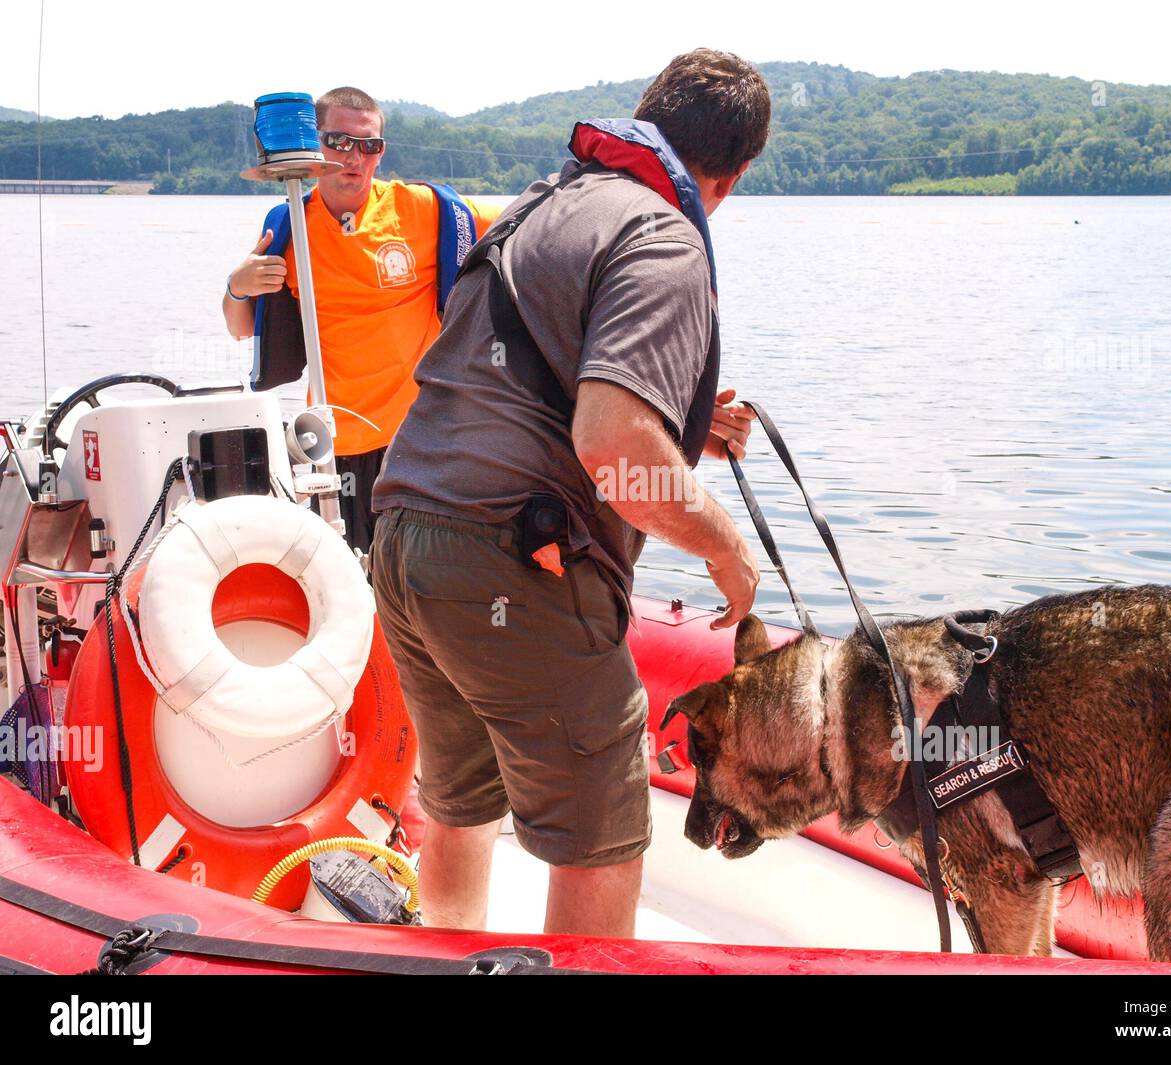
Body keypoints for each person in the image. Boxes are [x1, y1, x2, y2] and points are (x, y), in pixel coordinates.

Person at [369, 49, 771, 937]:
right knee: (606, 824)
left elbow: (527, 380)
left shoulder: (542, 204)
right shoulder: (664, 236)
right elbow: (614, 445)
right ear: (733, 177)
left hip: (403, 535)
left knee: (460, 794)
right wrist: (726, 546)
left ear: (645, 118)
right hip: (507, 558)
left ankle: (445, 954)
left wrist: (686, 428)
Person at [220, 86, 500, 551]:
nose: (354, 157)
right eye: (339, 142)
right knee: (351, 573)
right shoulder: (289, 224)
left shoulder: (425, 209)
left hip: (421, 436)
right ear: (316, 144)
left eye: (368, 145)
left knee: (422, 573)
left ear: (381, 152)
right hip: (337, 441)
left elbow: (526, 216)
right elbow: (239, 327)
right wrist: (237, 285)